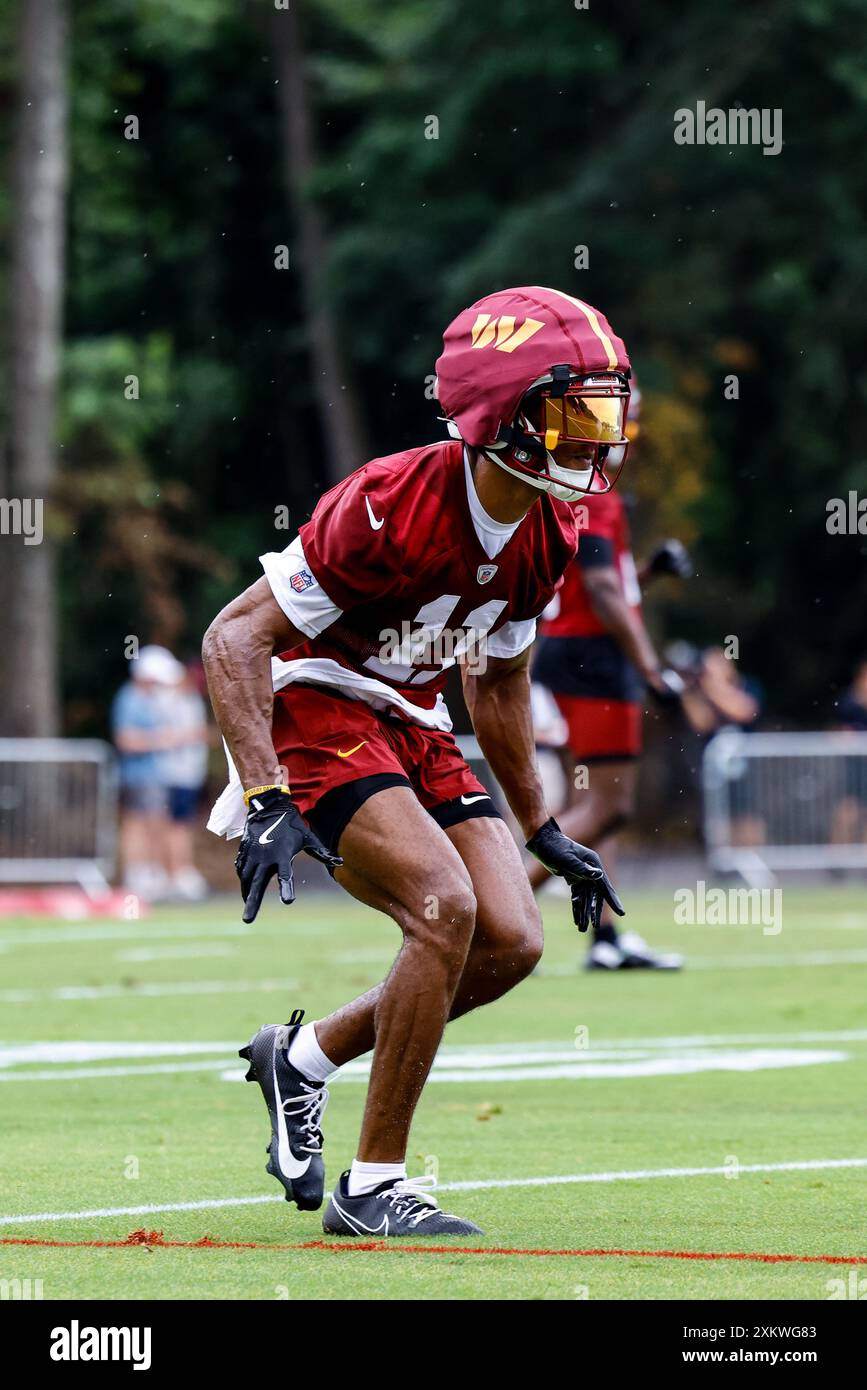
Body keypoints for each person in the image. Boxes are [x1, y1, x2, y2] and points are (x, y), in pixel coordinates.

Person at [204, 286, 630, 1237]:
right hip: (314, 702)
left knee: (512, 939)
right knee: (443, 908)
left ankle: (303, 1058)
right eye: (577, 411)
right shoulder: (393, 500)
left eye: (608, 411)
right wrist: (268, 793)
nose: (600, 436)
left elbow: (501, 684)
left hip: (415, 718)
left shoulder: (548, 530)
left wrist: (541, 825)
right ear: (504, 415)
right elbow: (232, 638)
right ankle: (370, 1188)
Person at [528, 428, 690, 969]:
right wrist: (652, 669)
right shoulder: (592, 491)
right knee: (608, 806)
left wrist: (647, 573)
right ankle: (494, 903)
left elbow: (599, 583)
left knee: (592, 807)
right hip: (592, 660)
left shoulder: (577, 487)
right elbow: (599, 592)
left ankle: (606, 937)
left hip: (571, 653)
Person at [112, 644, 186, 902]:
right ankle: (138, 874)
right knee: (139, 824)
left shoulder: (145, 699)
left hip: (151, 774)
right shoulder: (131, 699)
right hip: (140, 775)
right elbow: (125, 740)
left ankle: (150, 873)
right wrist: (160, 740)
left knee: (153, 822)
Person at [158, 663, 210, 901]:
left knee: (181, 824)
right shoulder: (170, 701)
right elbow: (171, 735)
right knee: (174, 825)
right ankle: (173, 873)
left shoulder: (191, 702)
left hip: (189, 772)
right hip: (173, 773)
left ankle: (179, 871)